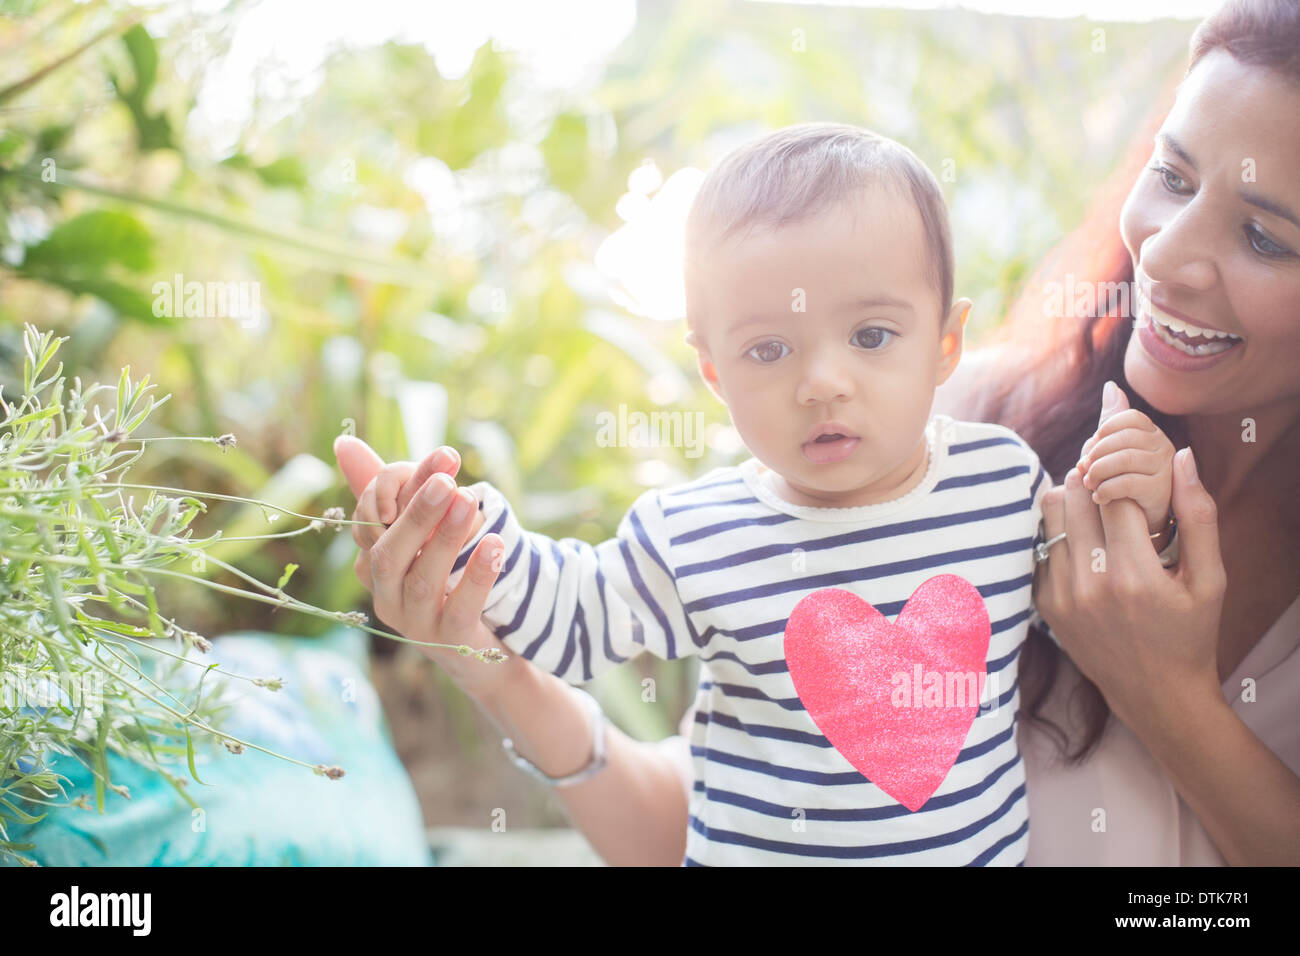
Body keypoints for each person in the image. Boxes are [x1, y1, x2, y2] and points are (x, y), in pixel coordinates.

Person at [336, 121, 1181, 865]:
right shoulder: (693, 534)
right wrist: (464, 526)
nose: (822, 383)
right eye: (768, 350)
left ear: (946, 343)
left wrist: (1139, 505)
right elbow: (575, 621)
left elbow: (1097, 598)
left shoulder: (1002, 482)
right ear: (713, 370)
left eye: (872, 335)